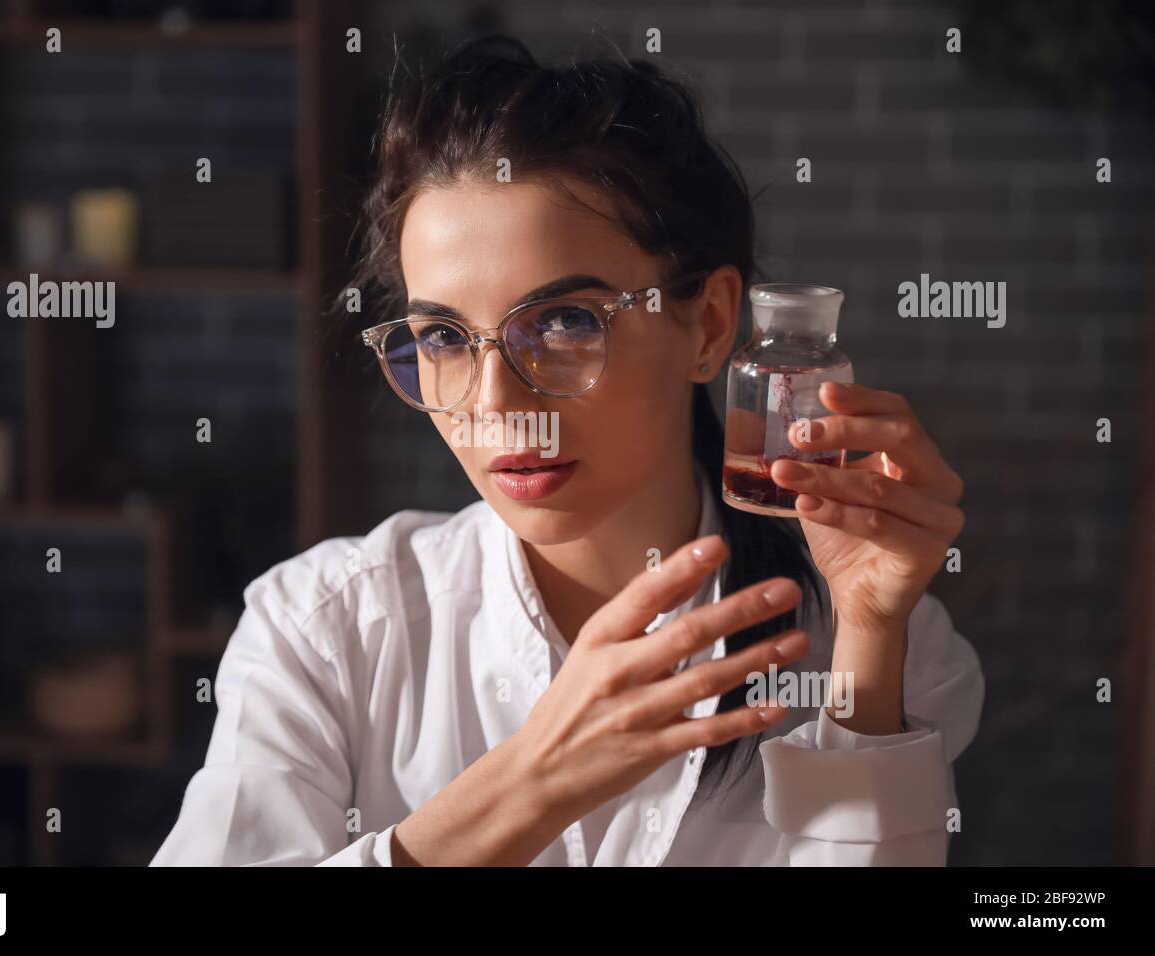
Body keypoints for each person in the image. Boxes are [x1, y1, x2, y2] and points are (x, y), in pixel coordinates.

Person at [152, 34, 983, 867]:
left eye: (564, 323)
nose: (496, 405)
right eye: (442, 336)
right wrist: (529, 785)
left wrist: (871, 644)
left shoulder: (875, 646)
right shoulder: (326, 630)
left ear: (712, 326)